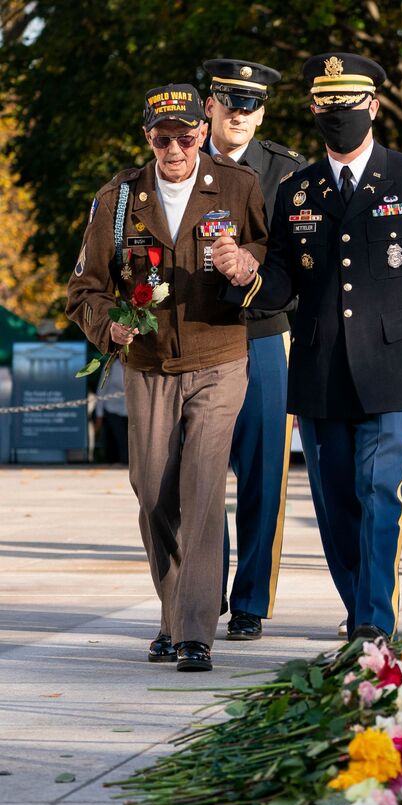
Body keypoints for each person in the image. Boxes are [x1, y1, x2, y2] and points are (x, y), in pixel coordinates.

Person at [212, 53, 402, 642]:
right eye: (327, 105)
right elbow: (282, 279)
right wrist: (245, 273)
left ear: (374, 107)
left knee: (379, 489)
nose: (339, 115)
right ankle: (361, 601)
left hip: (391, 363)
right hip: (319, 365)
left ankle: (372, 623)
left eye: (350, 104)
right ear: (312, 110)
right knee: (334, 504)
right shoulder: (296, 189)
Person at [66, 84, 268, 672]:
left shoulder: (238, 185)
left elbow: (266, 252)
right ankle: (173, 613)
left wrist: (247, 263)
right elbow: (84, 289)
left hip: (219, 355)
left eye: (185, 136)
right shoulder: (120, 197)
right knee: (153, 490)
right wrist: (111, 327)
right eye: (163, 139)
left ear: (202, 132)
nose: (175, 148)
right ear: (147, 139)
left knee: (203, 489)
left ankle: (196, 632)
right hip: (149, 363)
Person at [202, 58, 307, 642]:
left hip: (266, 333)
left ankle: (250, 600)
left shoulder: (286, 171)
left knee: (265, 474)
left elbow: (298, 254)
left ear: (262, 111)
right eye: (230, 101)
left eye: (251, 105)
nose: (240, 113)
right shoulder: (186, 160)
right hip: (200, 335)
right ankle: (203, 590)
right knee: (200, 473)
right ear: (211, 103)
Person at [94, 355, 128, 464]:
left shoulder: (138, 365)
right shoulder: (111, 366)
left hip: (132, 410)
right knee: (121, 439)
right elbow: (101, 390)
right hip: (113, 409)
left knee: (132, 440)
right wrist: (99, 414)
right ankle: (123, 464)